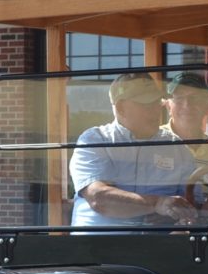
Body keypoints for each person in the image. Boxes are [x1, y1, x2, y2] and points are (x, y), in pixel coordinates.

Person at [69, 73, 197, 227]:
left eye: (157, 101)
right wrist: (158, 204)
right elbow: (99, 198)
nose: (156, 109)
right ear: (121, 108)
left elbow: (194, 203)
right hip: (96, 246)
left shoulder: (176, 147)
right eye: (147, 104)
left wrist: (176, 215)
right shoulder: (94, 140)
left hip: (161, 245)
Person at [161, 72, 208, 170]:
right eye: (179, 98)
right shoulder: (153, 142)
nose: (187, 105)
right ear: (168, 107)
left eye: (194, 98)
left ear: (207, 107)